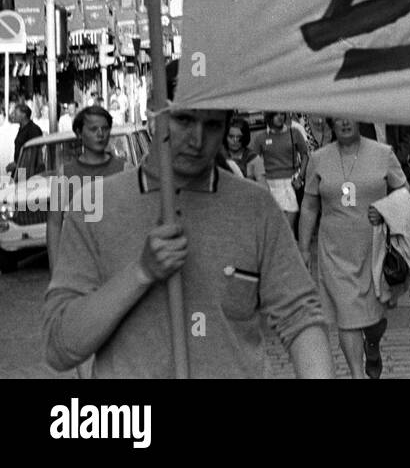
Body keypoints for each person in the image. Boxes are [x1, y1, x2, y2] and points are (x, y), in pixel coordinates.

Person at [44, 97, 333, 378]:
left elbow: (300, 316)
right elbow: (60, 346)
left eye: (212, 125)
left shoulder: (256, 208)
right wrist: (140, 273)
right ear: (152, 116)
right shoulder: (92, 205)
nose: (197, 140)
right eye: (183, 119)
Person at [298, 115, 407, 379]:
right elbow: (310, 206)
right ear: (330, 124)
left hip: (374, 249)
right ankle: (357, 373)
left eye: (349, 119)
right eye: (338, 120)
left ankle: (372, 343)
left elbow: (403, 192)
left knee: (376, 317)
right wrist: (303, 249)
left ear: (359, 120)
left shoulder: (383, 154)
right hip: (334, 252)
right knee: (347, 314)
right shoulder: (319, 159)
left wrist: (384, 211)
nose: (345, 124)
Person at [47, 105, 127, 273]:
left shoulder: (125, 170)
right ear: (79, 133)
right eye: (93, 129)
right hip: (79, 267)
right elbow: (54, 224)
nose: (100, 134)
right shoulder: (64, 174)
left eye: (105, 128)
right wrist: (55, 270)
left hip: (118, 265)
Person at [251, 111, 311, 232]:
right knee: (274, 226)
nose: (280, 117)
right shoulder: (261, 137)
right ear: (269, 117)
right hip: (270, 184)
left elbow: (305, 155)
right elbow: (252, 159)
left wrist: (300, 176)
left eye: (282, 114)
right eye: (276, 114)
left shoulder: (294, 133)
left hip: (291, 183)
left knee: (288, 227)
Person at [223, 117, 265, 183]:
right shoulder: (218, 156)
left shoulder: (253, 158)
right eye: (231, 136)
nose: (235, 140)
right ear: (225, 136)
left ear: (245, 137)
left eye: (239, 137)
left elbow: (263, 186)